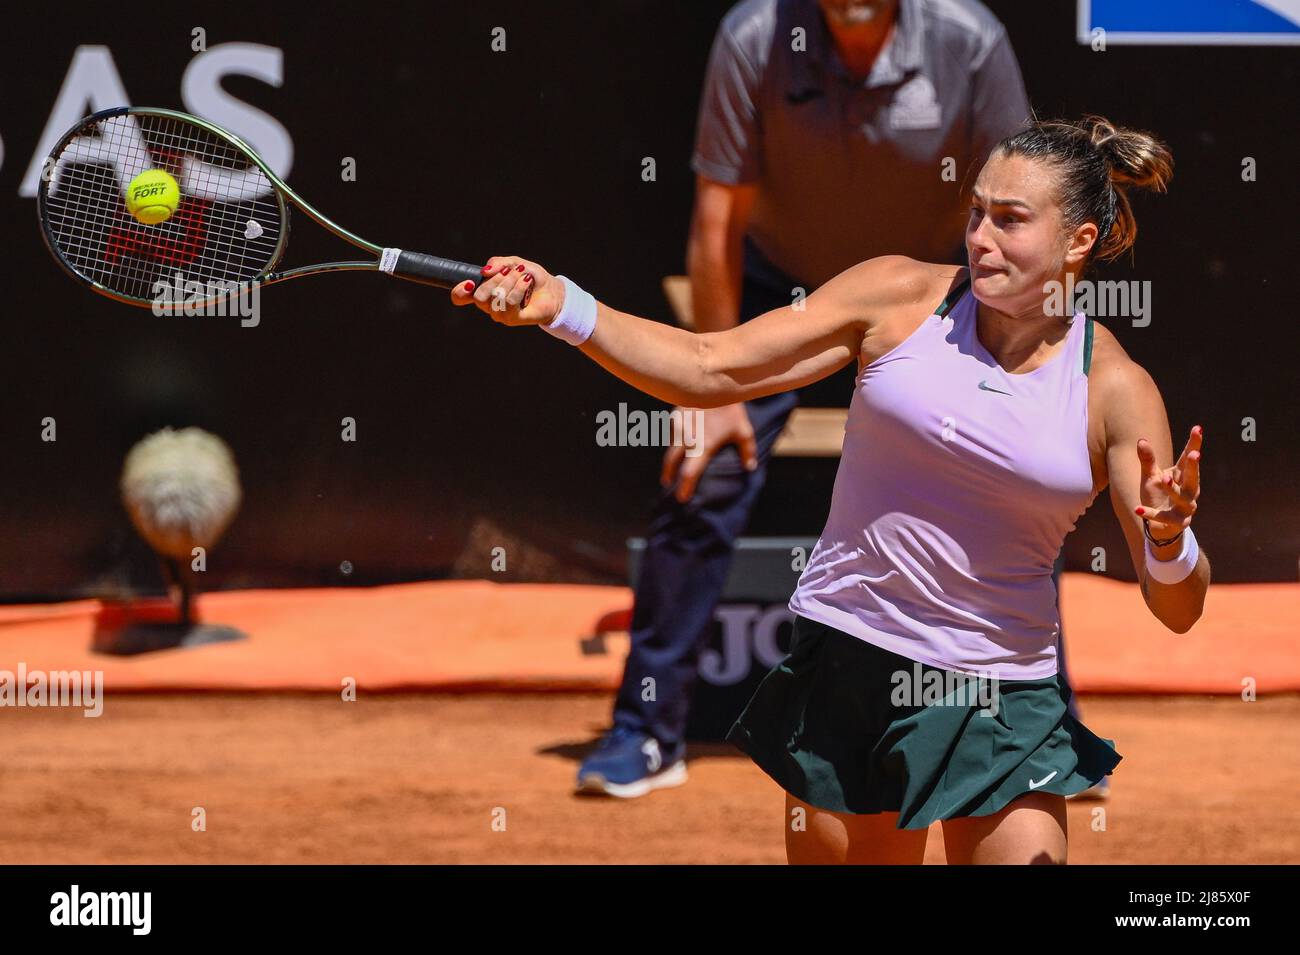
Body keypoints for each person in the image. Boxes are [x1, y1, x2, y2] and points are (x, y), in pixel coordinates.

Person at [450, 115, 1209, 864]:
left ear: (1078, 241)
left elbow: (1178, 607)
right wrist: (564, 308)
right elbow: (710, 366)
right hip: (853, 664)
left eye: (1010, 220)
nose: (980, 238)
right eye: (977, 211)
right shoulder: (896, 297)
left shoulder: (1114, 389)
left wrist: (1170, 540)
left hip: (1004, 696)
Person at [573, 0, 1035, 798]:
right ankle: (645, 730)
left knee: (1010, 476)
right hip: (781, 291)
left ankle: (1021, 731)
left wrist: (1003, 360)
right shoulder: (754, 38)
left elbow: (1022, 210)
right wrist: (711, 397)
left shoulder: (971, 40)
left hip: (928, 292)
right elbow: (718, 218)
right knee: (704, 465)